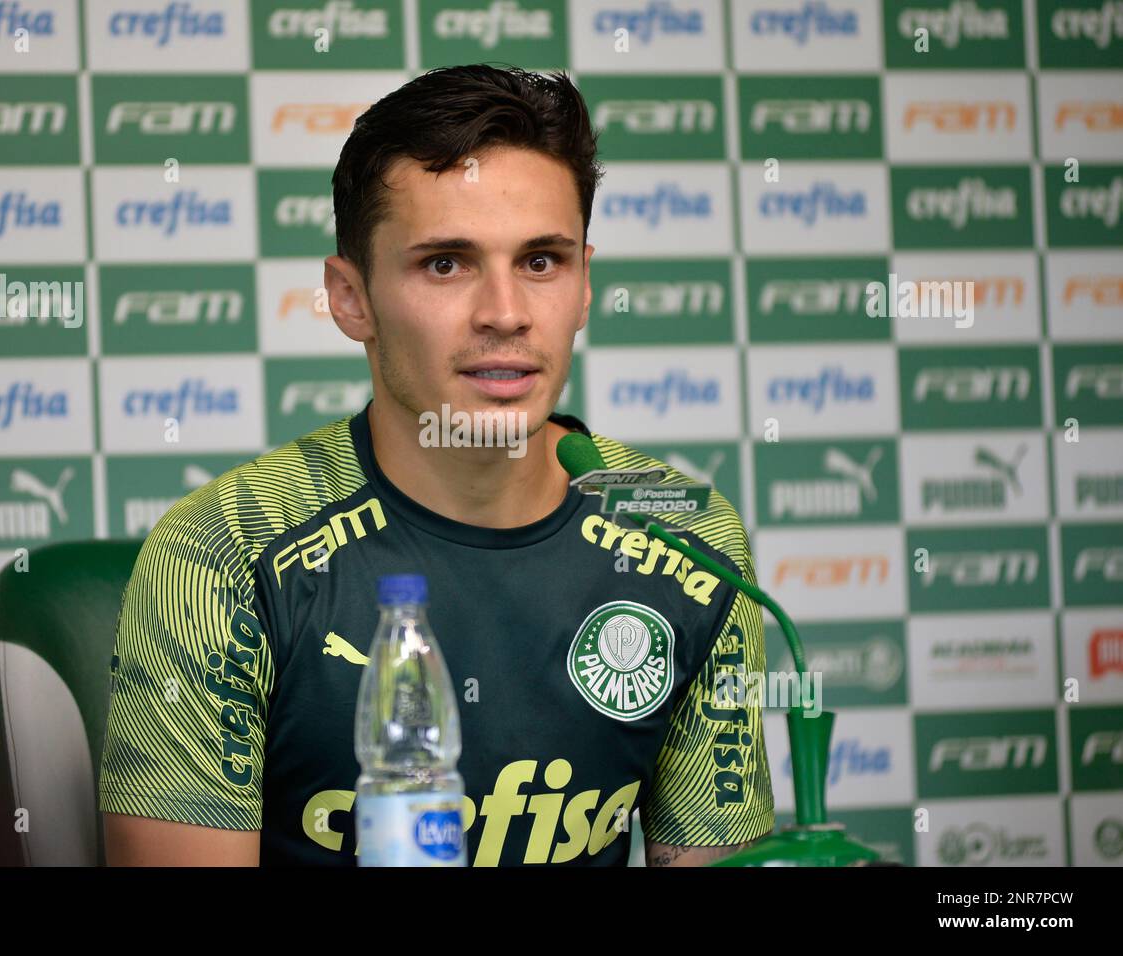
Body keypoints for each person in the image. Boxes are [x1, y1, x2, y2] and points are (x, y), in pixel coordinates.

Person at [98, 64, 773, 867]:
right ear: (351, 298)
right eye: (446, 263)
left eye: (541, 261)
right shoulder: (221, 552)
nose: (505, 313)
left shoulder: (687, 532)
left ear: (586, 282)